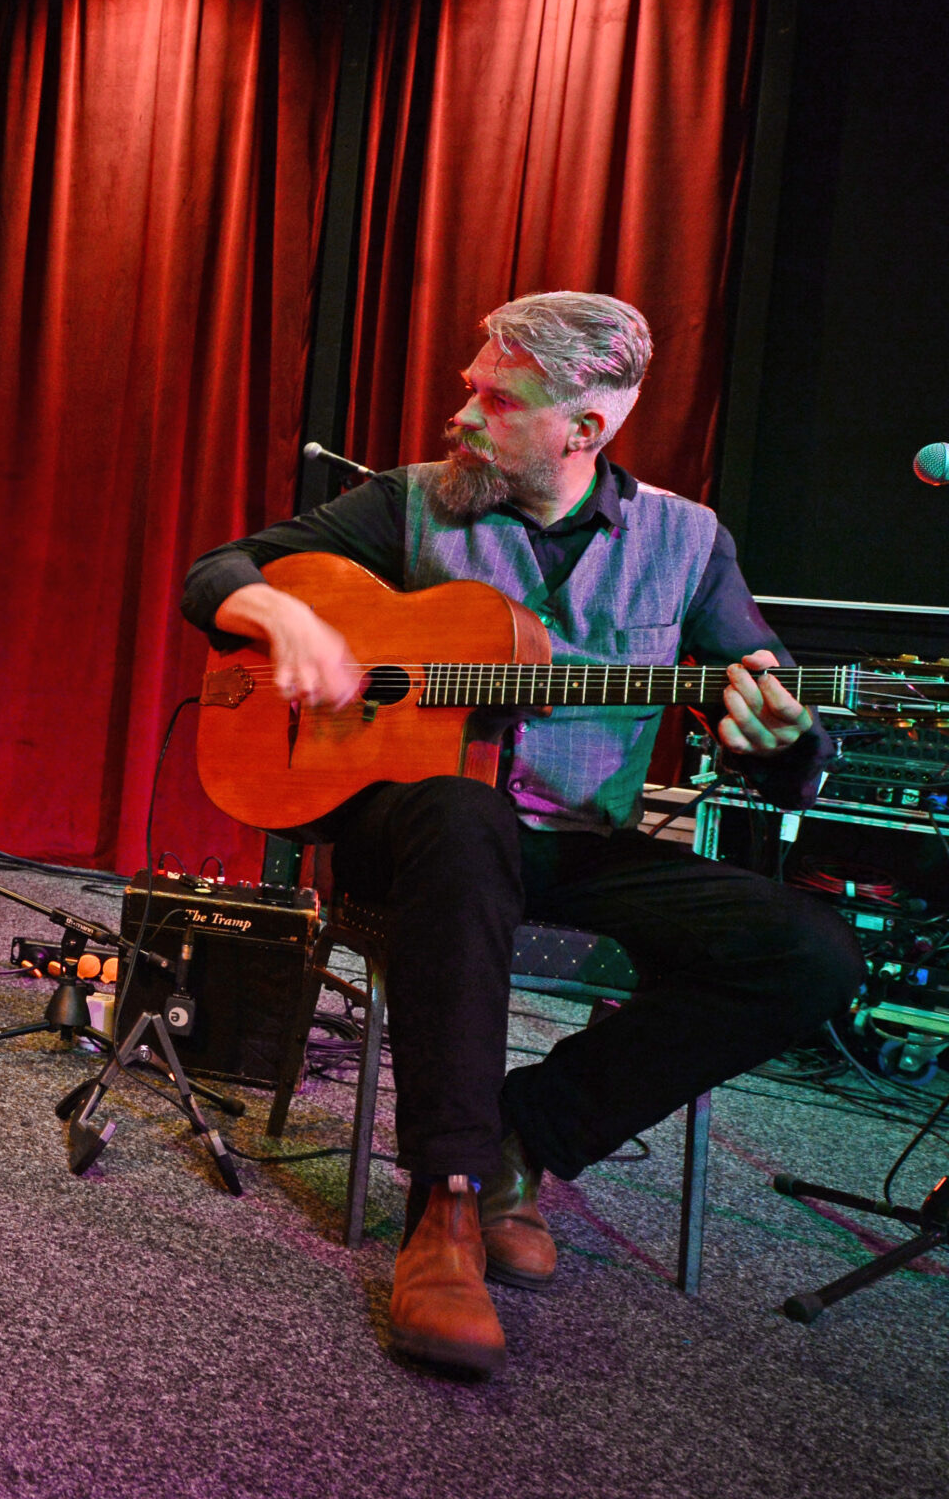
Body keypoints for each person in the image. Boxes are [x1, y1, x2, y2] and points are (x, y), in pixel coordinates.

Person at [182, 291, 860, 1379]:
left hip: (580, 842)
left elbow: (772, 714)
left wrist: (780, 736)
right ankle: (445, 1208)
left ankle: (521, 1139)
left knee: (813, 955)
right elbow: (214, 574)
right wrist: (285, 615)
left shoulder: (687, 544)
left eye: (497, 400)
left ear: (581, 430)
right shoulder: (406, 505)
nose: (462, 413)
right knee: (462, 814)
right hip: (416, 834)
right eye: (470, 385)